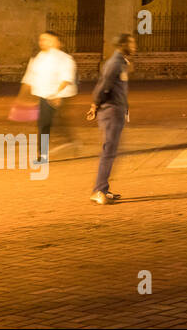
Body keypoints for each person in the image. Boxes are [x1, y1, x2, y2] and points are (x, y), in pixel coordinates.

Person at [87, 33, 134, 204]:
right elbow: (103, 86)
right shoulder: (114, 63)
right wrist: (95, 105)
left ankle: (103, 188)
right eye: (131, 43)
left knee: (111, 151)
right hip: (110, 111)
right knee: (109, 151)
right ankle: (98, 190)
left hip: (117, 111)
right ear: (123, 45)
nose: (134, 47)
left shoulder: (121, 62)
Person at [19, 32, 78, 165]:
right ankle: (47, 152)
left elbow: (66, 79)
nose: (42, 42)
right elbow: (30, 77)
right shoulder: (39, 57)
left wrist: (56, 95)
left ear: (56, 42)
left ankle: (67, 142)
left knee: (49, 123)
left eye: (46, 40)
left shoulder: (65, 58)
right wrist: (22, 96)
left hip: (61, 95)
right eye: (41, 39)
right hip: (44, 95)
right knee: (45, 124)